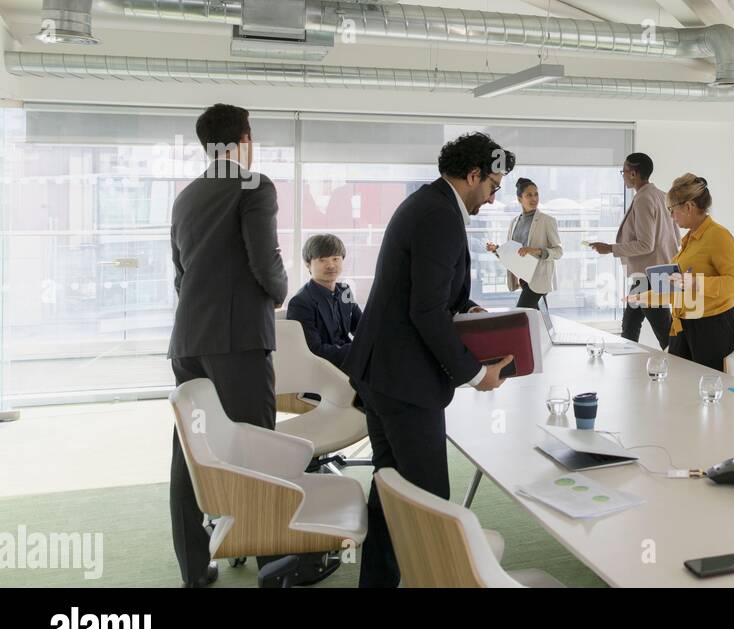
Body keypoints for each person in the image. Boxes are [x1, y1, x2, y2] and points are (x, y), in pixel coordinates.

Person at [342, 132, 516, 588]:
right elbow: (423, 310)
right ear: (474, 175)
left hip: (380, 372)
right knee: (429, 504)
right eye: (494, 186)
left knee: (391, 492)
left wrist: (465, 309)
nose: (494, 198)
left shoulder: (426, 203)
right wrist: (476, 373)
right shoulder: (441, 216)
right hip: (404, 380)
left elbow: (424, 295)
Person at [168, 103, 288, 587]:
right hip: (238, 341)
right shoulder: (254, 186)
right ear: (244, 138)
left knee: (189, 452)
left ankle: (196, 572)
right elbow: (266, 261)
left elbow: (180, 274)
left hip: (190, 341)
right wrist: (280, 291)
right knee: (259, 450)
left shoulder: (186, 197)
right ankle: (274, 567)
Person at [631, 173, 734, 372]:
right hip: (683, 325)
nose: (671, 216)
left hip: (712, 327)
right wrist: (642, 297)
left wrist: (695, 283)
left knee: (707, 387)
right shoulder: (689, 240)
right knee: (678, 385)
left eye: (672, 210)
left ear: (689, 207)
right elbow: (678, 287)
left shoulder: (719, 237)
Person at [589, 152, 678, 348]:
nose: (622, 174)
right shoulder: (661, 195)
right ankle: (629, 365)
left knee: (664, 331)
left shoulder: (644, 199)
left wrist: (610, 248)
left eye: (624, 171)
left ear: (634, 174)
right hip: (655, 273)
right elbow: (675, 236)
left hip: (651, 276)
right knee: (630, 324)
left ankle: (683, 367)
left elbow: (646, 244)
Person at [485, 177, 563, 310]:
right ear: (520, 199)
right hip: (523, 279)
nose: (534, 199)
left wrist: (535, 251)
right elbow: (512, 253)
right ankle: (545, 331)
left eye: (536, 194)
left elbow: (558, 252)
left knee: (521, 313)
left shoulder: (547, 221)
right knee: (538, 318)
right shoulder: (514, 222)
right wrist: (496, 249)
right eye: (529, 195)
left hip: (539, 279)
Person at [286, 234, 362, 369]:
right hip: (324, 370)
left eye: (336, 259)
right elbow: (313, 350)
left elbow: (362, 327)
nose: (331, 265)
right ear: (308, 264)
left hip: (350, 362)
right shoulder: (300, 302)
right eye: (322, 260)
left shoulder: (345, 291)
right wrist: (358, 351)